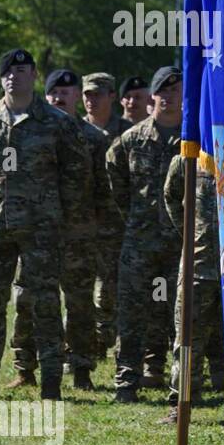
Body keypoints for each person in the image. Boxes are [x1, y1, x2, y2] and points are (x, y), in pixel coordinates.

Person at [0, 50, 88, 401]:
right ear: (0, 78)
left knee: (45, 302)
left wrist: (54, 210)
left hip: (41, 228)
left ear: (33, 74)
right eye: (7, 72)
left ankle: (50, 383)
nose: (13, 77)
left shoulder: (58, 123)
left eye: (20, 70)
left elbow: (76, 174)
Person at [9, 69, 112, 391]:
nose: (59, 96)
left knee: (80, 303)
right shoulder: (29, 131)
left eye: (67, 91)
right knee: (27, 299)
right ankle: (25, 367)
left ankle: (81, 369)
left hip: (78, 234)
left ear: (77, 96)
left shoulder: (94, 138)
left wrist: (99, 229)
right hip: (36, 234)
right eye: (54, 91)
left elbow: (104, 190)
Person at [107, 66, 183, 402]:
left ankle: (179, 385)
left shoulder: (196, 138)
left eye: (174, 90)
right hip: (139, 242)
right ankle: (127, 382)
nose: (167, 96)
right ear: (152, 96)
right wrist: (137, 217)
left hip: (182, 242)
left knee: (178, 315)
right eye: (161, 91)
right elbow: (116, 182)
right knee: (132, 313)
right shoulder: (131, 139)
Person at [158, 147, 224, 422]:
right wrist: (189, 234)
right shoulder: (185, 159)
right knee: (187, 339)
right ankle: (181, 404)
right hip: (197, 265)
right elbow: (171, 197)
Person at [81, 72, 128, 359]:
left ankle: (112, 341)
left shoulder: (127, 132)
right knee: (81, 289)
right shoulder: (71, 130)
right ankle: (88, 345)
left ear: (112, 96)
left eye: (98, 94)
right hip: (81, 223)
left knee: (113, 287)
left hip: (117, 223)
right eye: (87, 94)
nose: (91, 99)